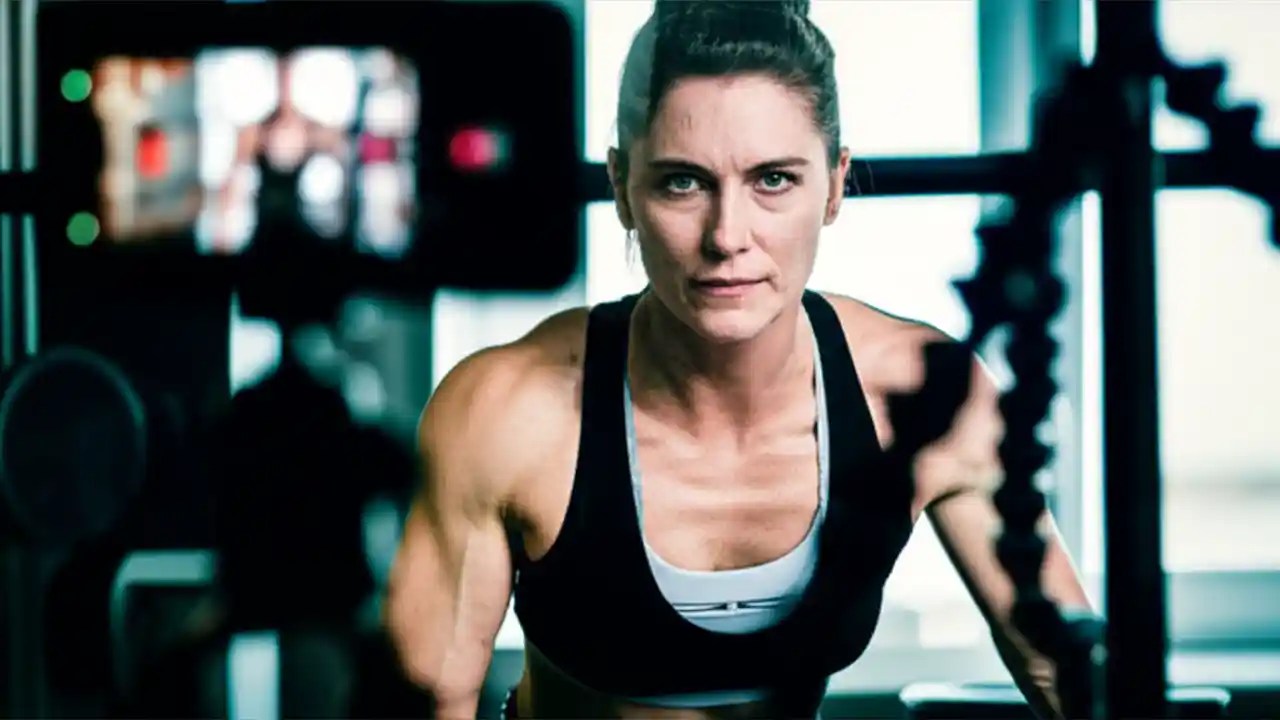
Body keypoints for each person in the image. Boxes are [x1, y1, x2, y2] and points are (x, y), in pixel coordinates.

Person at [384, 1, 1093, 718]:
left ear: (836, 184)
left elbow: (1069, 679)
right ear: (624, 188)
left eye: (773, 180)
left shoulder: (927, 397)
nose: (728, 236)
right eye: (682, 182)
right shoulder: (507, 410)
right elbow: (423, 703)